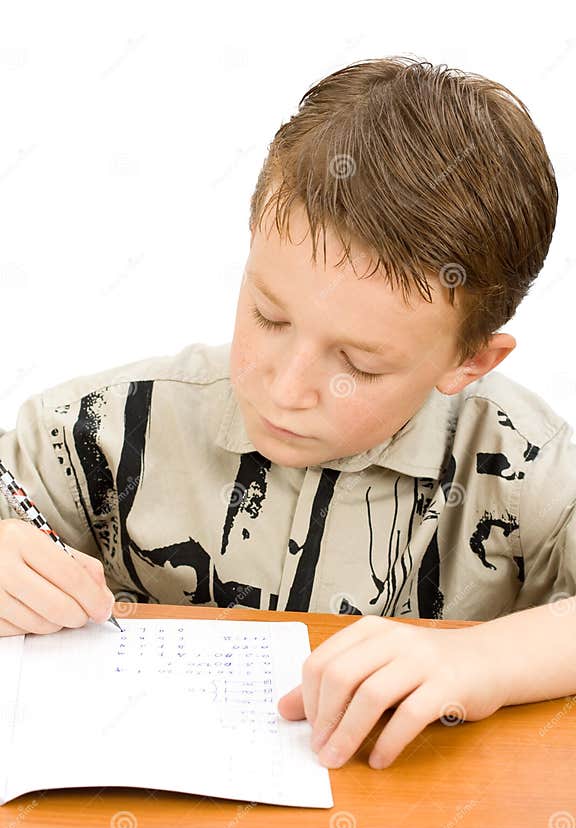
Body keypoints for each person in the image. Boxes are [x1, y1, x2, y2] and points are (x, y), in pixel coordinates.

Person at [1, 56, 573, 772]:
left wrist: (483, 659)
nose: (286, 386)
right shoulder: (101, 429)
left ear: (470, 361)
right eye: (269, 317)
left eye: (359, 363)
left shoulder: (528, 468)